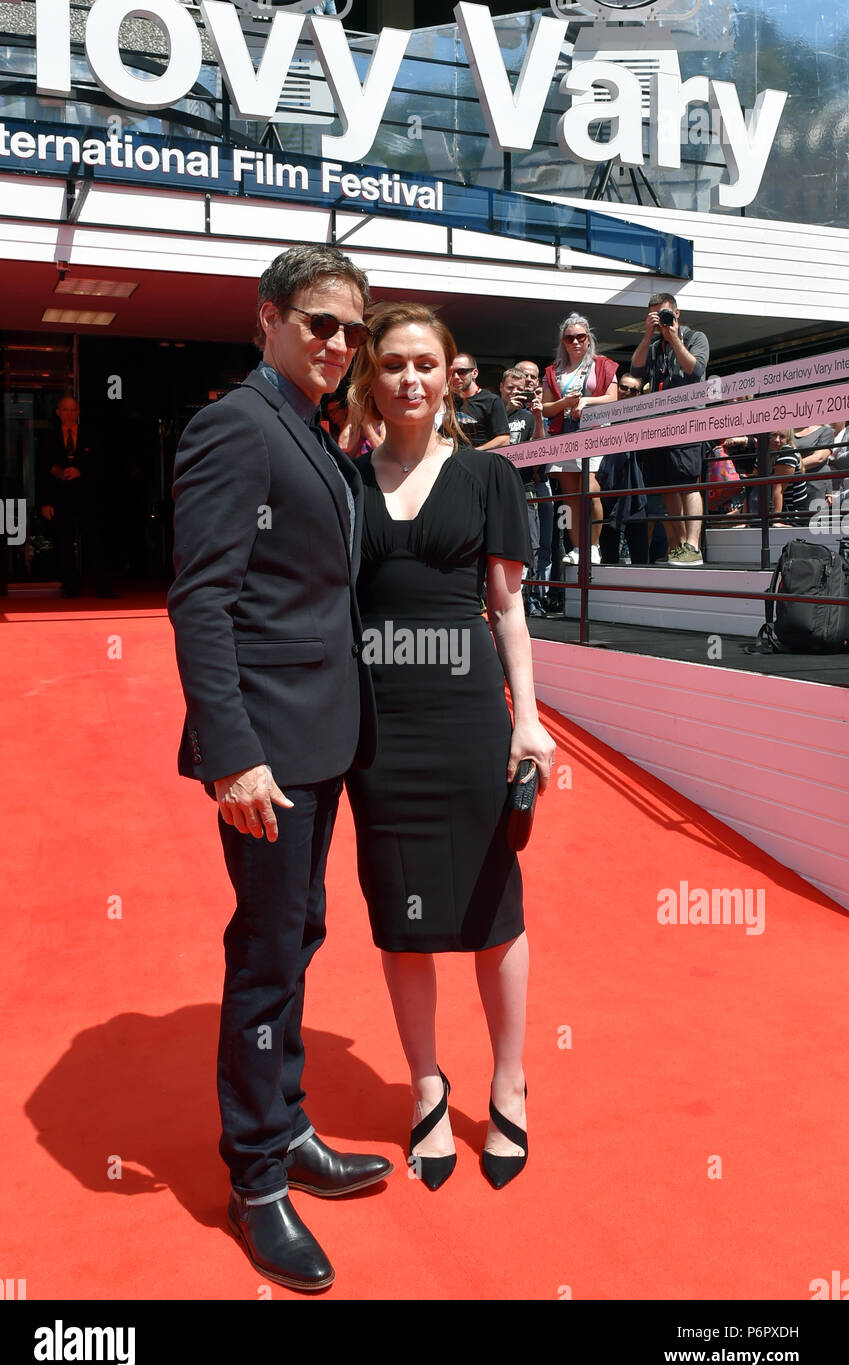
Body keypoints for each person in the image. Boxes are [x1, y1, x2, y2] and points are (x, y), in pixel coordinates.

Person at [167, 246, 392, 1296]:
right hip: (267, 755)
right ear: (267, 317)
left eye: (351, 330)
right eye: (318, 323)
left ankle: (287, 1122)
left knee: (299, 934)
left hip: (322, 742)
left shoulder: (310, 430)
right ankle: (255, 1179)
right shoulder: (234, 425)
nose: (338, 345)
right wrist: (233, 754)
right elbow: (200, 601)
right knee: (266, 954)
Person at [345, 303, 556, 1191]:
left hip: (468, 713)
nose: (409, 380)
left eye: (424, 364)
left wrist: (528, 719)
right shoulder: (342, 480)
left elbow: (506, 607)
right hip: (376, 723)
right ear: (371, 377)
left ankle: (508, 1080)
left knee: (489, 906)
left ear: (449, 371)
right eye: (391, 364)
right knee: (403, 916)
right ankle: (426, 1084)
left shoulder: (487, 475)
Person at [631, 293, 709, 567]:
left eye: (665, 314)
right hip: (658, 427)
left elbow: (695, 371)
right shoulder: (654, 347)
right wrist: (647, 335)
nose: (661, 321)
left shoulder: (695, 337)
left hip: (687, 422)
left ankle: (693, 545)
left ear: (677, 314)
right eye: (656, 315)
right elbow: (636, 369)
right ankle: (678, 545)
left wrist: (673, 336)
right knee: (665, 487)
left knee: (687, 484)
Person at [541, 313, 618, 568]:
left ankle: (594, 547)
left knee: (590, 489)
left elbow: (612, 398)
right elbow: (546, 408)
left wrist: (586, 401)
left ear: (588, 339)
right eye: (569, 337)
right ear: (563, 341)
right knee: (571, 496)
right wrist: (564, 403)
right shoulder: (553, 371)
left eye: (580, 337)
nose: (575, 341)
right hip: (563, 434)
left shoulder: (602, 364)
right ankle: (577, 548)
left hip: (593, 432)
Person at [37, 395, 115, 598]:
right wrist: (45, 502)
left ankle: (103, 586)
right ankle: (71, 586)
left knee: (94, 542)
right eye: (65, 410)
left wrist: (81, 472)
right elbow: (41, 471)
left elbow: (102, 467)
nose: (69, 414)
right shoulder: (48, 437)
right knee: (64, 543)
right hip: (61, 499)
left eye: (73, 410)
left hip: (87, 498)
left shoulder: (91, 436)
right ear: (58, 412)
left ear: (78, 412)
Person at [498, 366, 548, 615]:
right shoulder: (492, 414)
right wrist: (506, 411)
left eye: (520, 389)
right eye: (510, 388)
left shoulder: (528, 417)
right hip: (495, 488)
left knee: (532, 545)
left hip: (524, 488)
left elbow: (539, 451)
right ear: (501, 389)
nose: (515, 393)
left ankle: (531, 600)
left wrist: (538, 418)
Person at [595, 374, 649, 564]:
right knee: (609, 542)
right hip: (606, 487)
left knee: (639, 546)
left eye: (634, 391)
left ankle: (643, 586)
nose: (628, 393)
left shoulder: (643, 416)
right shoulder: (601, 414)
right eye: (624, 388)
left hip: (634, 488)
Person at [450, 352, 511, 451]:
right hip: (452, 459)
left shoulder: (492, 401)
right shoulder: (447, 401)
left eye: (462, 371)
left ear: (475, 373)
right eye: (452, 373)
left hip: (479, 460)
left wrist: (474, 452)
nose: (456, 377)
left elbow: (504, 440)